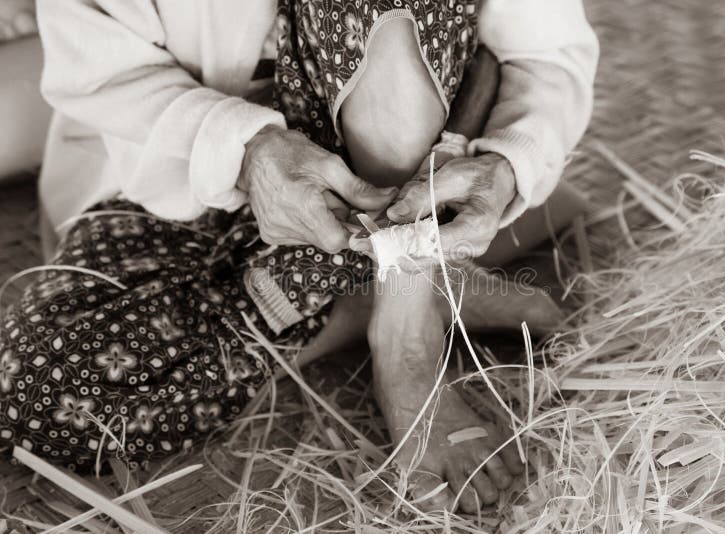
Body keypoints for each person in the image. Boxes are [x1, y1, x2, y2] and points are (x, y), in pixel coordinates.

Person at [0, 0, 598, 512]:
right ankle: (375, 294)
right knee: (40, 394)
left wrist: (506, 162)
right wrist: (248, 149)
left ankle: (406, 332)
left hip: (411, 175)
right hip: (172, 171)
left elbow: (546, 52)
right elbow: (97, 62)